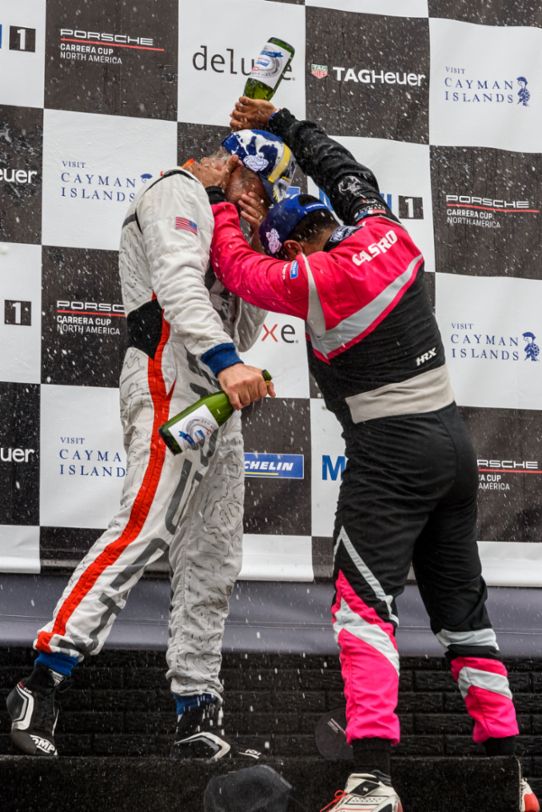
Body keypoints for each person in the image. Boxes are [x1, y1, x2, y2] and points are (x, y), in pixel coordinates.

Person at [195, 97, 540, 812]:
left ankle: (372, 781)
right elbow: (346, 169)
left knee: (362, 609)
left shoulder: (311, 279)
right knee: (464, 617)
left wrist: (225, 203)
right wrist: (285, 124)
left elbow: (235, 271)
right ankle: (512, 778)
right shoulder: (387, 231)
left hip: (392, 455)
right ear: (336, 222)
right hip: (455, 447)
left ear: (294, 246)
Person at [6, 128, 296, 762]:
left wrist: (245, 246)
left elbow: (239, 325)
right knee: (145, 525)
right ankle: (40, 683)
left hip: (216, 392)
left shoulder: (227, 223)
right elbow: (177, 287)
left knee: (213, 557)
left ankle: (198, 713)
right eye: (257, 189)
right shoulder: (176, 192)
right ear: (236, 171)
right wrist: (224, 361)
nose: (257, 203)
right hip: (170, 369)